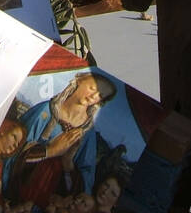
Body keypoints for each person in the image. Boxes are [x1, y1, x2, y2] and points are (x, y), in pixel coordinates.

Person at [13, 71, 117, 205]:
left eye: (100, 95)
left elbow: (85, 181)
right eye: (92, 88)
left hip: (49, 205)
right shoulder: (45, 111)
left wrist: (68, 164)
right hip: (19, 189)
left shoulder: (87, 134)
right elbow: (13, 149)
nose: (93, 96)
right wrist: (50, 151)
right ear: (79, 81)